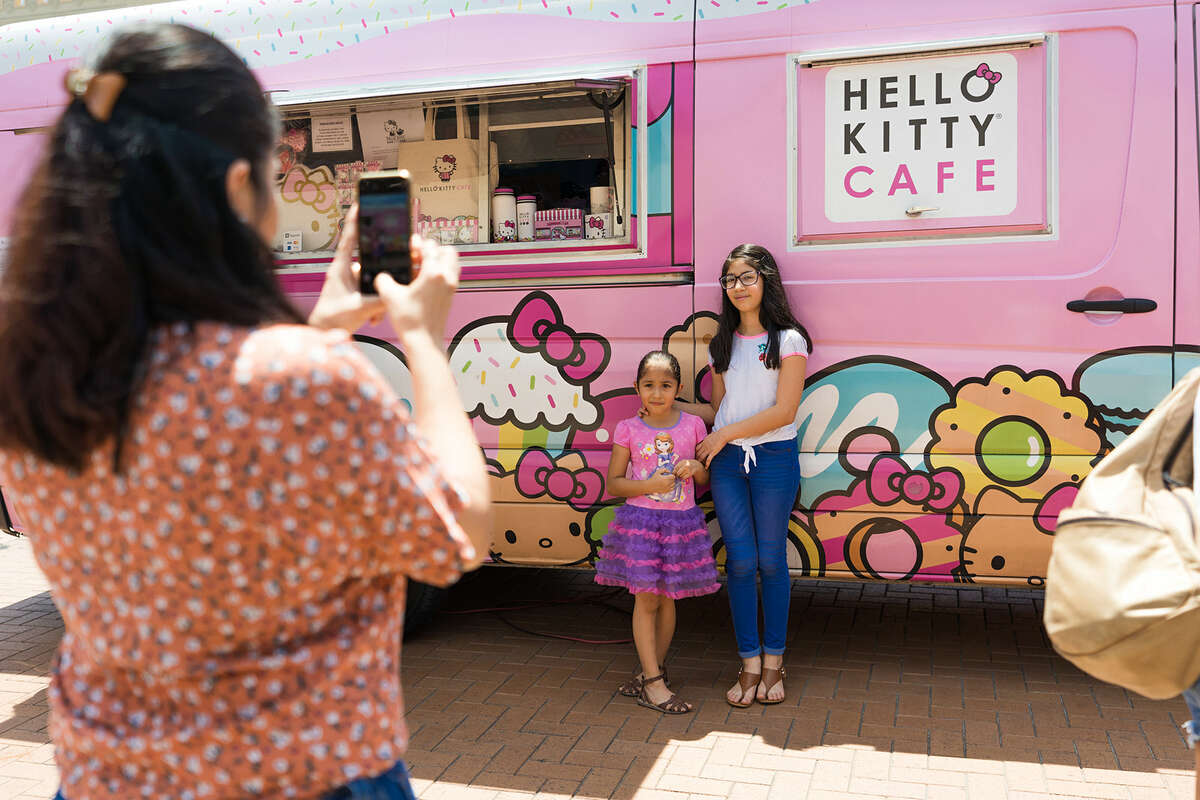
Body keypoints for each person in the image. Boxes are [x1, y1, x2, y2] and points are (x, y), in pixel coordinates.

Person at [0, 23, 491, 800]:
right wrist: (423, 340)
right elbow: (456, 532)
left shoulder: (33, 381)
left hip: (110, 777)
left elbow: (199, 418)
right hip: (304, 776)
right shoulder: (304, 383)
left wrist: (320, 327)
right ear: (237, 189)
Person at [676, 244, 810, 708]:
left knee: (772, 561)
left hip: (773, 458)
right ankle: (749, 663)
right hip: (729, 462)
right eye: (730, 279)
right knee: (739, 562)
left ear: (765, 280)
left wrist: (723, 434)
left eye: (746, 277)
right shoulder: (722, 343)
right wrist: (668, 408)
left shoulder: (790, 340)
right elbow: (718, 410)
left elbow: (785, 410)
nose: (737, 287)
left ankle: (775, 662)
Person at [594, 351, 720, 714]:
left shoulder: (693, 425)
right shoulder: (629, 429)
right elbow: (615, 483)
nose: (657, 393)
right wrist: (648, 483)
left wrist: (696, 466)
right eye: (649, 385)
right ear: (637, 388)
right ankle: (652, 682)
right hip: (643, 524)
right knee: (646, 599)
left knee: (668, 599)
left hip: (680, 526)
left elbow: (705, 480)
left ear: (678, 389)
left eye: (665, 386)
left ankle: (653, 672)